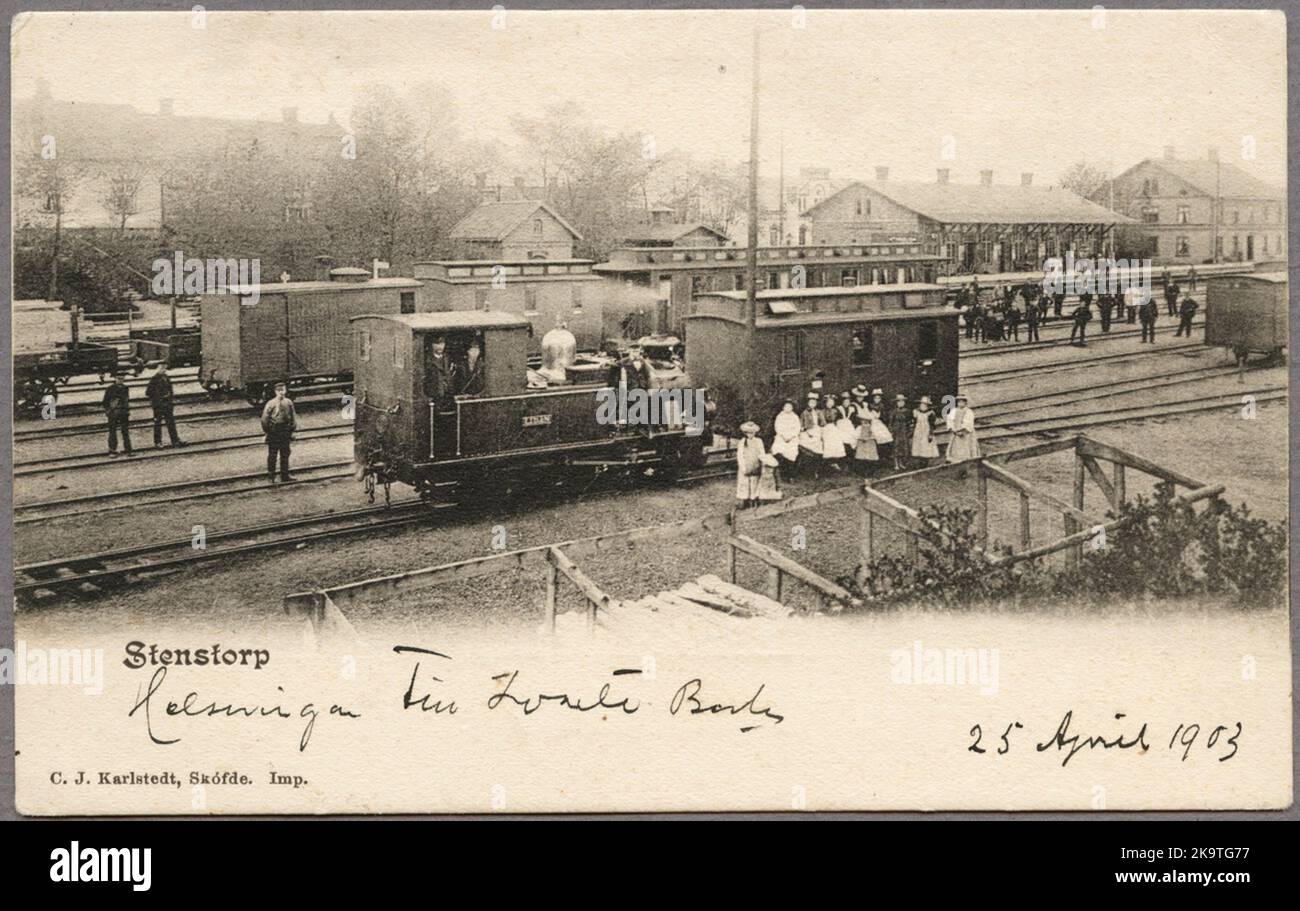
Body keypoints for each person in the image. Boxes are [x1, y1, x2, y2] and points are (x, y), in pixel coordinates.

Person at [261, 380, 297, 482]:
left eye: (283, 390)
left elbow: (293, 416)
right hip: (274, 431)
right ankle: (271, 476)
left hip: (285, 431)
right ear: (275, 392)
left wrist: (292, 429)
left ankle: (285, 476)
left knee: (285, 453)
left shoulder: (289, 402)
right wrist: (267, 432)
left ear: (285, 391)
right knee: (273, 454)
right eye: (279, 390)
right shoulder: (271, 403)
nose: (281, 392)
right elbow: (264, 419)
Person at [145, 363, 184, 448]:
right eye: (162, 368)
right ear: (158, 369)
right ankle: (158, 442)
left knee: (171, 423)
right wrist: (159, 397)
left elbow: (171, 390)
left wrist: (170, 400)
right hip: (159, 405)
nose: (164, 370)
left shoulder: (166, 377)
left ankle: (175, 441)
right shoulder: (154, 379)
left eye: (165, 368)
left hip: (167, 405)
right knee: (158, 424)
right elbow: (148, 392)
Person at [735, 421, 766, 508]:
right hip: (746, 465)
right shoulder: (742, 442)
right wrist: (743, 467)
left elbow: (762, 453)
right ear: (745, 433)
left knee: (755, 483)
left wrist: (763, 464)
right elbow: (740, 455)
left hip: (755, 464)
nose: (750, 435)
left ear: (755, 433)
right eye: (748, 433)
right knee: (744, 484)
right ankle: (745, 501)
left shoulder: (759, 441)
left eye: (752, 433)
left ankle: (754, 500)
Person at [102, 372, 133, 457]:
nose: (120, 380)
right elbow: (105, 402)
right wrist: (109, 411)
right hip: (113, 413)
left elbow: (126, 400)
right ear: (115, 379)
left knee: (125, 431)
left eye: (122, 379)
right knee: (112, 432)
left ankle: (128, 450)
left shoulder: (125, 388)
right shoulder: (110, 388)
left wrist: (127, 410)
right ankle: (112, 451)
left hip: (123, 413)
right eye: (119, 378)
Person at [425, 335, 458, 408]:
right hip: (434, 398)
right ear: (432, 345)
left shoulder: (448, 358)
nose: (440, 347)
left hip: (448, 397)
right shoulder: (427, 360)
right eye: (437, 344)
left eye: (442, 344)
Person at [852, 387, 880, 473]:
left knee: (870, 444)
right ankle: (859, 468)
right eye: (858, 396)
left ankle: (869, 466)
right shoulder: (853, 405)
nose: (860, 398)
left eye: (862, 396)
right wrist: (864, 419)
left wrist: (869, 419)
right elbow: (855, 417)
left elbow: (869, 414)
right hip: (859, 426)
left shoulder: (865, 404)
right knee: (860, 446)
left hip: (867, 425)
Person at [945, 393, 980, 462]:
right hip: (956, 432)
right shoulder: (954, 411)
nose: (960, 403)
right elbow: (950, 420)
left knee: (967, 446)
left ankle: (967, 459)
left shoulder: (969, 411)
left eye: (962, 402)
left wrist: (963, 430)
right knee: (956, 446)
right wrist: (953, 430)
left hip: (966, 433)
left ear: (965, 403)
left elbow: (968, 422)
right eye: (959, 402)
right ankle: (955, 459)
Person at [798, 392, 825, 478]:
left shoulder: (818, 412)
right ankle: (807, 471)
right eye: (811, 402)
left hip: (817, 431)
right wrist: (804, 429)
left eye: (814, 403)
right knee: (807, 448)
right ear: (808, 403)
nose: (812, 404)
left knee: (819, 449)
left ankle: (816, 470)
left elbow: (823, 422)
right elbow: (801, 424)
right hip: (807, 431)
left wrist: (821, 424)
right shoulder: (804, 412)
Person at [771, 400, 801, 474]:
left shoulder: (795, 417)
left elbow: (797, 428)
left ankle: (790, 474)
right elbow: (777, 427)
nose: (788, 408)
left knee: (792, 451)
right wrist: (783, 436)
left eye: (790, 407)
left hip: (792, 437)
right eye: (786, 406)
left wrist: (791, 436)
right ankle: (782, 470)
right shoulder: (780, 416)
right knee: (778, 449)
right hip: (782, 436)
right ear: (783, 407)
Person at [820, 393, 847, 470]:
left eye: (832, 402)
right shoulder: (822, 411)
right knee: (828, 443)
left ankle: (835, 462)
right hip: (826, 428)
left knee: (837, 443)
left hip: (834, 428)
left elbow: (837, 419)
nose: (830, 404)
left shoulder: (835, 410)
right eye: (828, 402)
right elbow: (822, 421)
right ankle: (828, 463)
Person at [911, 396, 940, 466]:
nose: (923, 405)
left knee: (926, 446)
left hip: (926, 431)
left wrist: (930, 433)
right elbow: (914, 422)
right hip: (918, 431)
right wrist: (912, 430)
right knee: (919, 445)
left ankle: (925, 462)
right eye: (922, 404)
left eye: (925, 404)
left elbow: (932, 425)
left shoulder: (930, 413)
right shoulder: (916, 412)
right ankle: (920, 461)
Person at [887, 392, 909, 471]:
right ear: (896, 403)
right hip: (896, 431)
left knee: (903, 447)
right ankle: (895, 464)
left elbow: (909, 422)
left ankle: (901, 463)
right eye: (899, 401)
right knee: (896, 447)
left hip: (904, 430)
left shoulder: (906, 411)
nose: (900, 403)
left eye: (902, 401)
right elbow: (890, 422)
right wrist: (891, 431)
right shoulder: (893, 412)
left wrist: (908, 430)